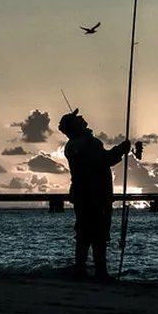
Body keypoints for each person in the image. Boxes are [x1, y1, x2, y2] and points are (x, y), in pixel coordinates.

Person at [57, 109, 132, 280]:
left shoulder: (71, 145)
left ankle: (81, 270)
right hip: (96, 194)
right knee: (98, 233)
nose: (82, 118)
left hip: (81, 193)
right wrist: (121, 149)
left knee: (84, 232)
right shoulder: (87, 143)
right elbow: (104, 160)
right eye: (77, 118)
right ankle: (100, 272)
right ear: (73, 126)